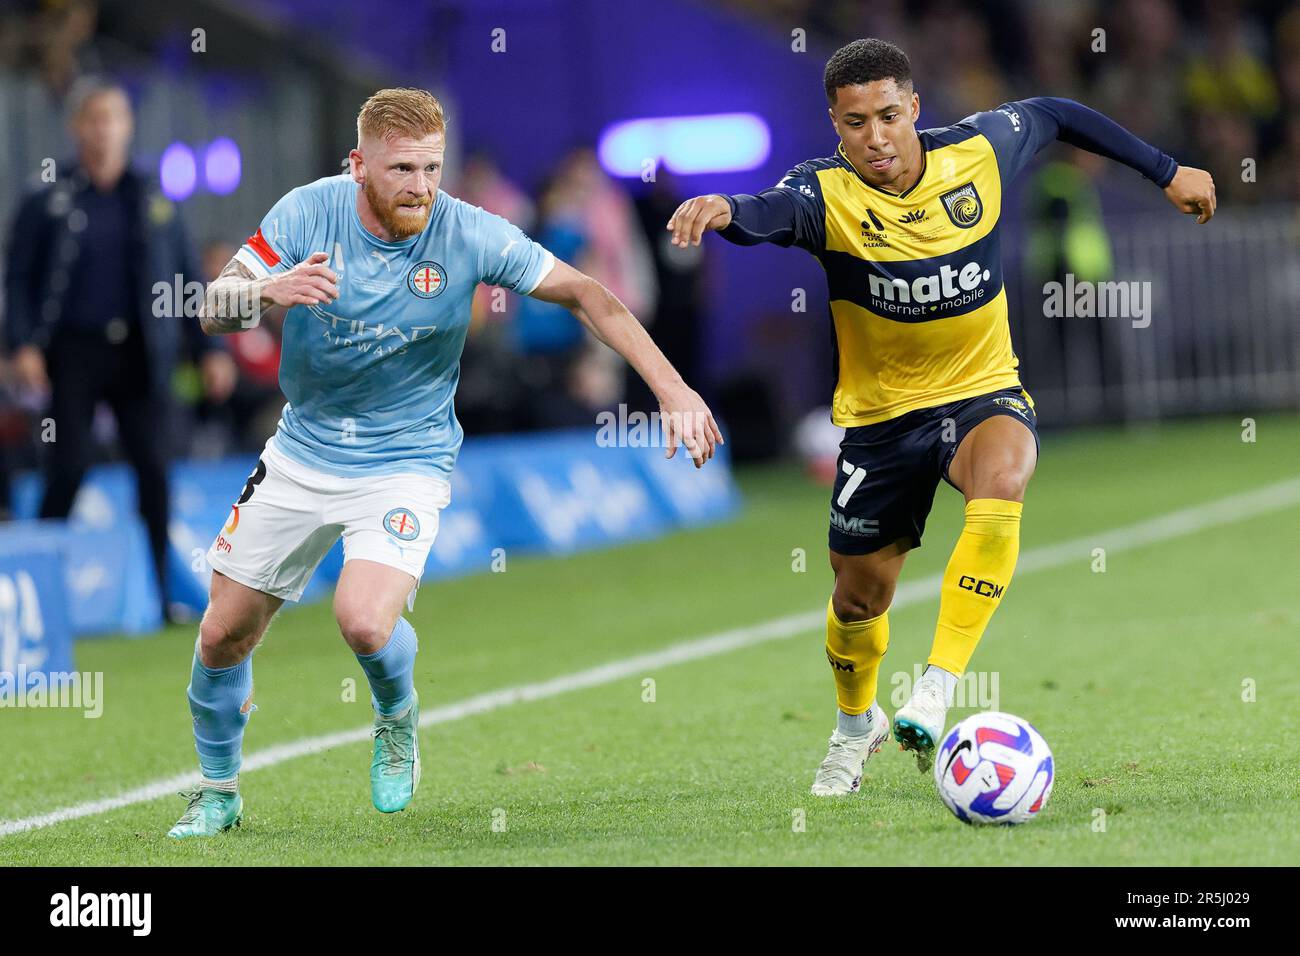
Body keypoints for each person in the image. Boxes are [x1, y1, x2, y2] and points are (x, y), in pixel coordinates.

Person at [666, 38, 1214, 795]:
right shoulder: (824, 193)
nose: (876, 137)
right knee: (859, 598)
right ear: (836, 124)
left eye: (889, 115)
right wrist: (725, 207)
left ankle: (937, 685)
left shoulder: (979, 150)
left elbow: (1055, 113)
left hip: (981, 390)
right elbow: (769, 210)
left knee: (1005, 476)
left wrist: (1166, 169)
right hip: (882, 422)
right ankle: (856, 726)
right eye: (855, 122)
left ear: (915, 108)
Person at [170, 87, 722, 838]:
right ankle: (217, 792)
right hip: (304, 448)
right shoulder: (308, 212)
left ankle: (396, 714)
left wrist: (673, 387)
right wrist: (269, 289)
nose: (421, 187)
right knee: (221, 633)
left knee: (363, 622)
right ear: (358, 164)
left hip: (407, 455)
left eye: (432, 168)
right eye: (402, 170)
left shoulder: (468, 231)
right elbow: (210, 306)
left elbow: (587, 293)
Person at [3, 77, 234, 622]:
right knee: (70, 466)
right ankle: (42, 596)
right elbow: (18, 279)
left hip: (140, 353)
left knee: (154, 471)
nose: (103, 130)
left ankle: (160, 598)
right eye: (93, 119)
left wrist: (210, 350)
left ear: (128, 128)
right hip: (74, 353)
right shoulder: (48, 199)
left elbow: (184, 280)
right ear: (76, 127)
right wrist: (23, 345)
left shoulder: (153, 198)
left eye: (113, 119)